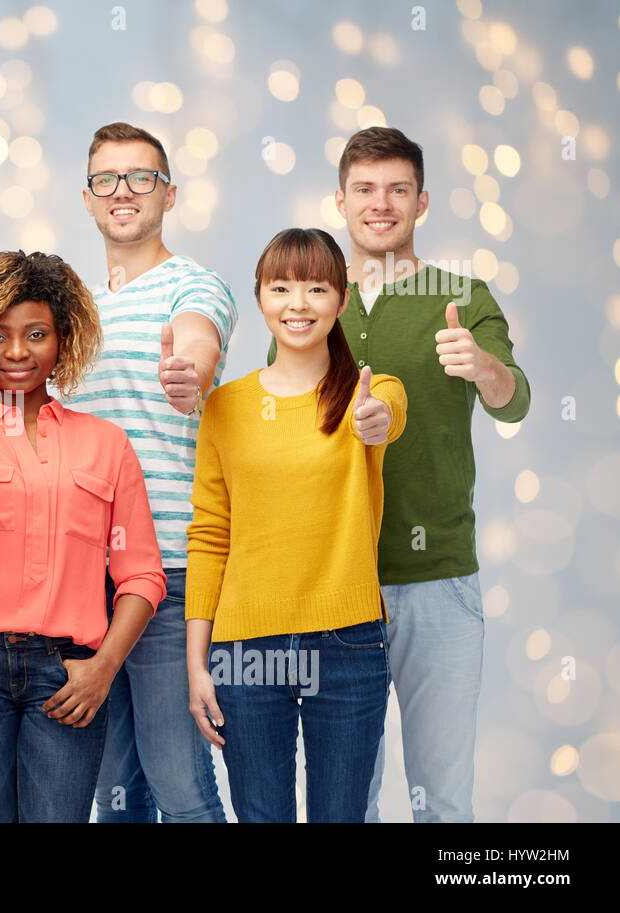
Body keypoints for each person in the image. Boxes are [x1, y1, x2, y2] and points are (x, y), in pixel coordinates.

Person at [266, 127, 531, 822]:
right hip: (333, 585)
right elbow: (280, 425)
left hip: (437, 576)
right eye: (365, 189)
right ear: (340, 200)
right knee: (343, 802)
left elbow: (515, 401)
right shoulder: (311, 300)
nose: (380, 203)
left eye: (397, 189)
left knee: (442, 800)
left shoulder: (462, 296)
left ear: (422, 202)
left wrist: (484, 366)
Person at [0, 250, 166, 823]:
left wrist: (102, 668)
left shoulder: (106, 443)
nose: (18, 351)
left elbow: (142, 575)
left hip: (69, 671)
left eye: (35, 334)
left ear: (63, 339)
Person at [188, 227, 407, 822]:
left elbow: (386, 417)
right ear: (260, 299)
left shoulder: (371, 391)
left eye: (316, 288)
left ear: (340, 300)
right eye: (280, 287)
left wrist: (375, 420)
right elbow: (209, 535)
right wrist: (196, 661)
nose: (298, 304)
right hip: (244, 650)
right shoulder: (225, 407)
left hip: (347, 642)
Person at [69, 121, 233, 822]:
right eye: (107, 178)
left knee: (182, 789)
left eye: (141, 177)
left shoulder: (192, 283)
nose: (123, 191)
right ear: (88, 198)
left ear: (169, 194)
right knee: (111, 797)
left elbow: (198, 341)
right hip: (85, 583)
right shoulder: (72, 311)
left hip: (168, 572)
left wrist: (188, 373)